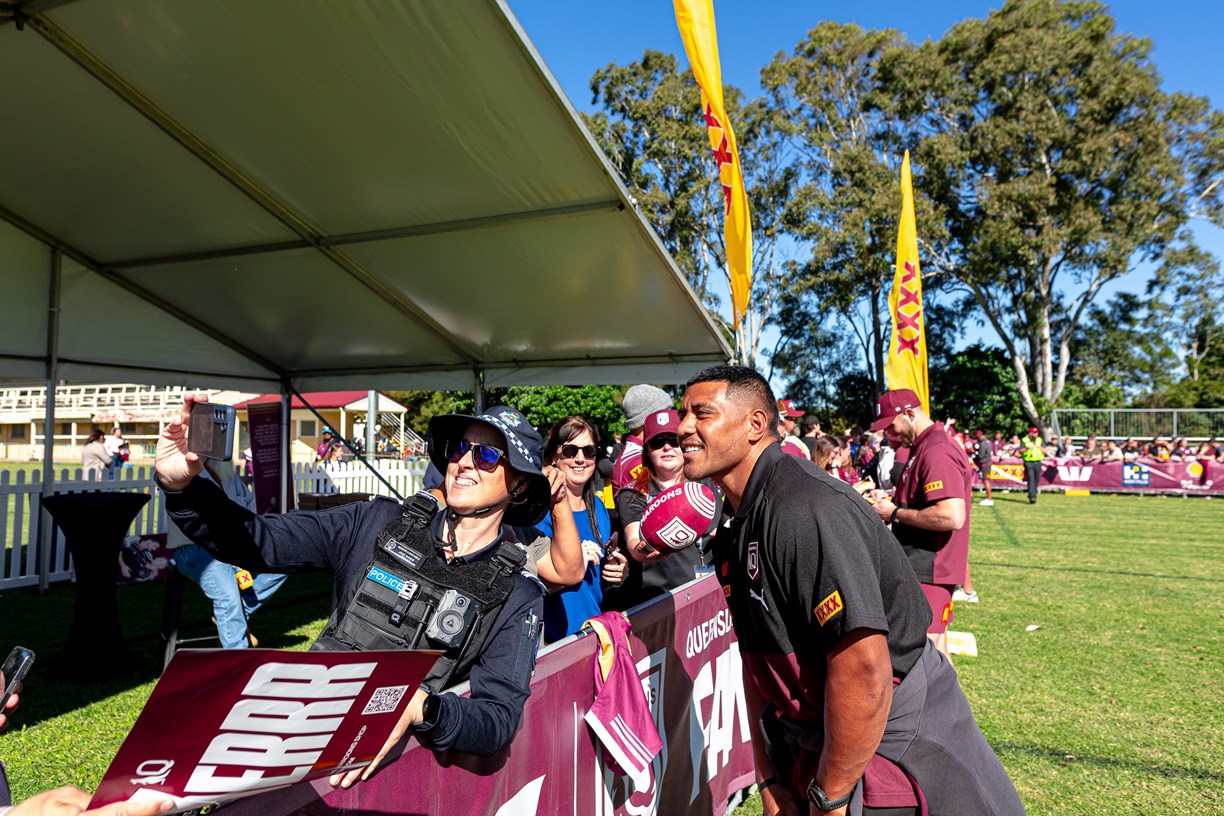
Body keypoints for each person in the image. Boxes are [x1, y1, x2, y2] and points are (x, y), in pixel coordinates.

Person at [677, 365, 1023, 816]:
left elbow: (865, 670)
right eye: (682, 413)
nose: (683, 427)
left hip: (889, 744)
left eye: (701, 414)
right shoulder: (736, 520)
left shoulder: (804, 506)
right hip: (818, 740)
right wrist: (768, 778)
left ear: (755, 425)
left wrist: (831, 795)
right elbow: (756, 660)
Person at [157, 396, 558, 784]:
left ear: (519, 485)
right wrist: (182, 488)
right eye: (459, 449)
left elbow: (496, 721)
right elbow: (263, 540)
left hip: (379, 780)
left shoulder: (516, 594)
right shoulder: (374, 522)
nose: (465, 462)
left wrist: (420, 705)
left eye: (487, 455)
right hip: (295, 733)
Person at [867, 391, 972, 658]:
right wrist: (891, 500)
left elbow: (951, 515)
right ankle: (951, 702)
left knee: (923, 654)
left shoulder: (937, 450)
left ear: (910, 414)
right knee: (937, 651)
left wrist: (895, 513)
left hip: (931, 569)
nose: (890, 434)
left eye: (892, 425)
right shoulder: (923, 447)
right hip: (924, 566)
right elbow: (923, 501)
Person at [165, 459, 288, 648]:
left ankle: (235, 614)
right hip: (193, 548)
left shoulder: (227, 474)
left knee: (284, 560)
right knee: (227, 596)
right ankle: (239, 664)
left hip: (232, 545)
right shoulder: (184, 472)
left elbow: (248, 506)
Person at [612, 409, 721, 611]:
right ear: (647, 451)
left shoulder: (706, 484)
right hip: (659, 603)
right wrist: (645, 552)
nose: (667, 447)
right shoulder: (634, 493)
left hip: (708, 596)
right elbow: (634, 540)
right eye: (657, 442)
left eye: (673, 440)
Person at [537, 416, 628, 640]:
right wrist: (572, 562)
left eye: (588, 451)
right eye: (570, 451)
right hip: (554, 641)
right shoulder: (539, 512)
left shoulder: (598, 508)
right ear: (553, 456)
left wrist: (617, 574)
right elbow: (530, 586)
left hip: (593, 634)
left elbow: (593, 585)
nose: (580, 459)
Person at [611, 385, 674, 491]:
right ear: (649, 418)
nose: (669, 418)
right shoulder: (638, 462)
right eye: (664, 414)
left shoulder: (641, 453)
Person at [1020, 426, 1045, 503]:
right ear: (1030, 433)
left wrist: (1039, 446)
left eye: (1037, 432)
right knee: (1031, 480)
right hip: (1029, 462)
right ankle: (1032, 497)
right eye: (1034, 433)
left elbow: (1045, 450)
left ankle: (1032, 493)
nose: (1036, 434)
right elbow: (1020, 451)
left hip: (1038, 462)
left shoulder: (1039, 440)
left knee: (1036, 480)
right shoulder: (1025, 440)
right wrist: (1027, 448)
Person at [973, 429, 995, 506]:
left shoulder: (983, 444)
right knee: (986, 480)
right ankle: (989, 498)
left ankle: (989, 499)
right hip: (987, 463)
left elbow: (980, 455)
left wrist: (974, 453)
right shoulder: (988, 442)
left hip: (985, 464)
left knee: (986, 481)